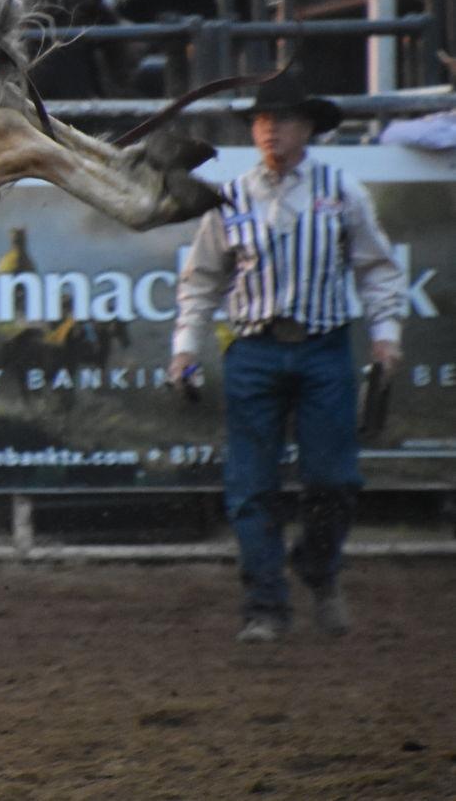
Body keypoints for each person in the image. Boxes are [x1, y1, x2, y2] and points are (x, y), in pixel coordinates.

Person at [167, 71, 406, 644]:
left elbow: (375, 267)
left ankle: (318, 569)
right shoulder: (230, 199)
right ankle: (264, 605)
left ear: (307, 128)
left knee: (334, 478)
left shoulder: (341, 189)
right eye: (262, 120)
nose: (270, 130)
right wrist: (184, 350)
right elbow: (200, 282)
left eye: (283, 120)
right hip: (254, 346)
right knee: (251, 485)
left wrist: (387, 332)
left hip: (322, 346)